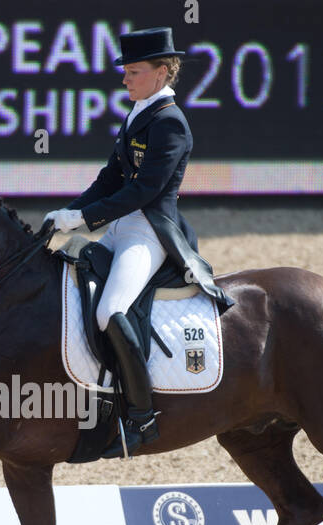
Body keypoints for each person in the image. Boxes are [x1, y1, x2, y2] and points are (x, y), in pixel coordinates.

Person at [44, 26, 227, 454]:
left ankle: (141, 416)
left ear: (162, 72)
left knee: (110, 309)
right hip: (120, 225)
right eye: (125, 71)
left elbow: (144, 190)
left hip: (149, 230)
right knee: (68, 288)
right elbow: (110, 179)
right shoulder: (137, 115)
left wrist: (85, 217)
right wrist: (68, 213)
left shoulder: (170, 123)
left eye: (133, 71)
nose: (125, 79)